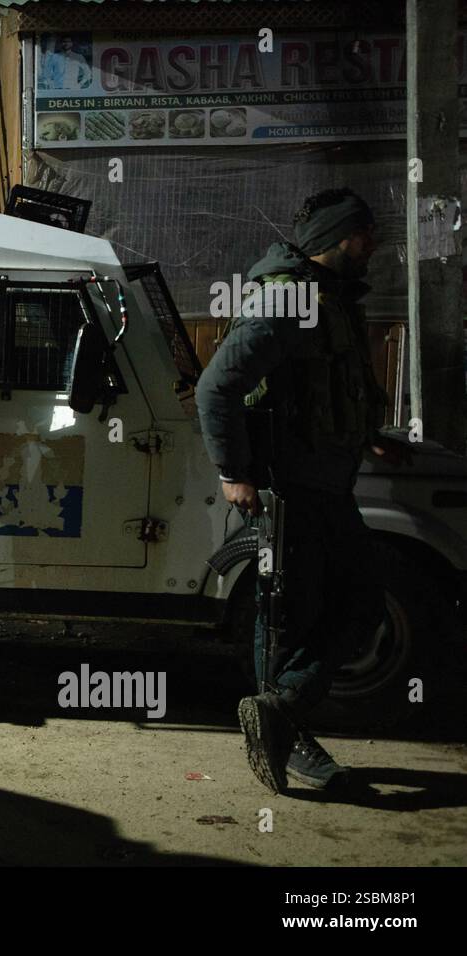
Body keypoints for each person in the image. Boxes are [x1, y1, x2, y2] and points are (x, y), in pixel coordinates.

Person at [195, 188, 407, 794]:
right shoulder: (288, 300)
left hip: (327, 486)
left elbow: (327, 387)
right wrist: (234, 473)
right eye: (364, 235)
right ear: (338, 239)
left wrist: (366, 436)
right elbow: (217, 388)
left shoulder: (335, 300)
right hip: (289, 492)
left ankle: (283, 708)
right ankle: (288, 734)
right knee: (288, 615)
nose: (373, 246)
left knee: (362, 602)